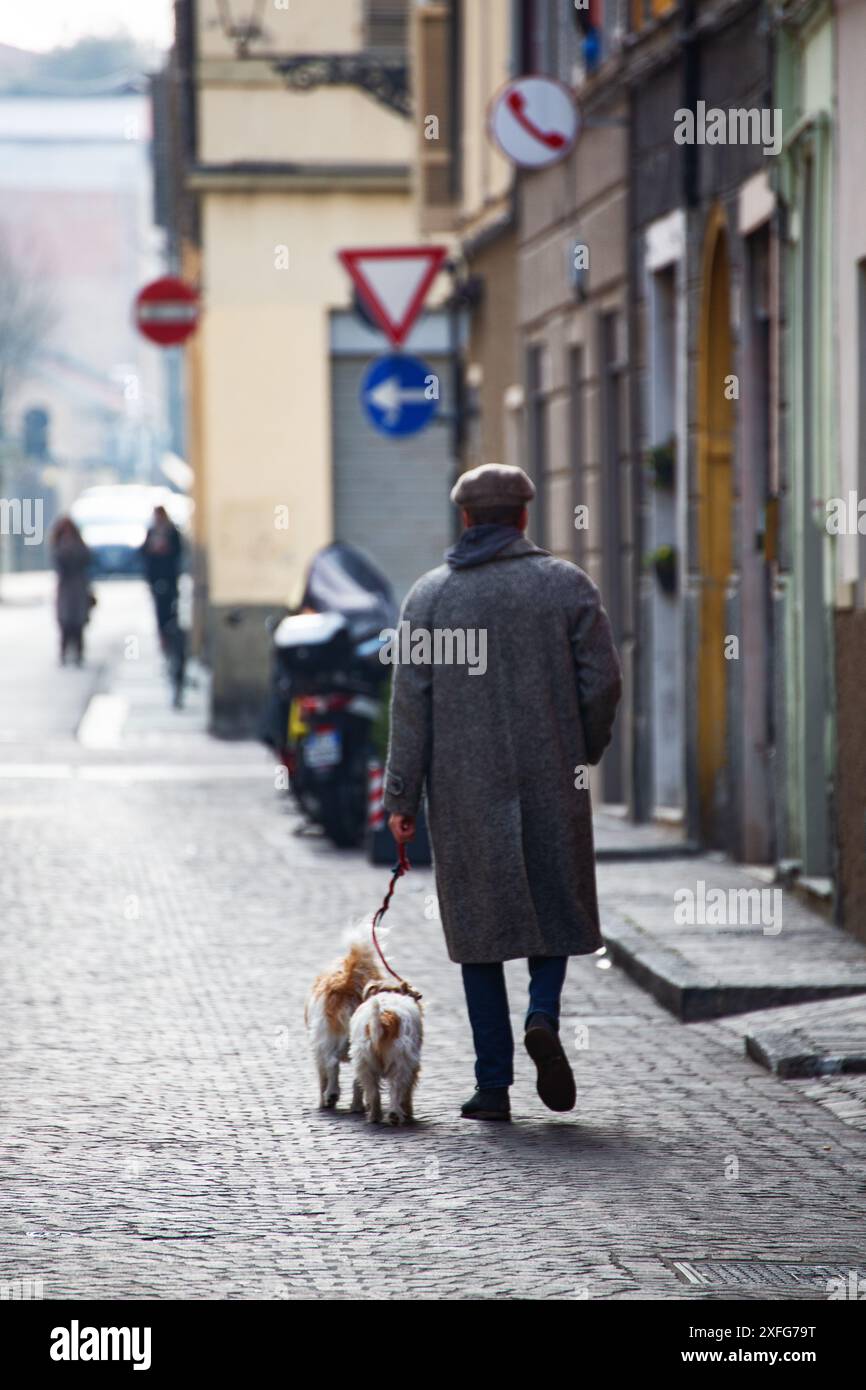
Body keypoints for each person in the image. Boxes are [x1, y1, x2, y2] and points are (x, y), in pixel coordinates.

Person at [384, 464, 622, 1121]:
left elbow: (412, 709)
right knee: (556, 907)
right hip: (554, 779)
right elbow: (601, 681)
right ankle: (541, 1014)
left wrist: (401, 799)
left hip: (464, 794)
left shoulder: (430, 599)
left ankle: (493, 1088)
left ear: (465, 518)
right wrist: (584, 750)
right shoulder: (566, 586)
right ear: (524, 516)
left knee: (480, 938)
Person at [51, 516, 93, 667]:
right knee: (65, 621)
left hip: (79, 587)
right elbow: (58, 562)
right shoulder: (58, 545)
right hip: (66, 588)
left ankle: (79, 652)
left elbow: (87, 558)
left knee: (78, 622)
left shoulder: (80, 545)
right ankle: (64, 652)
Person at [140, 505, 183, 648]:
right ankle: (163, 637)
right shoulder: (152, 531)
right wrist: (152, 550)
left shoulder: (172, 531)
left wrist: (166, 549)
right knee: (159, 608)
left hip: (169, 576)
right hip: (156, 576)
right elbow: (143, 552)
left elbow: (178, 551)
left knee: (171, 608)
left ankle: (171, 636)